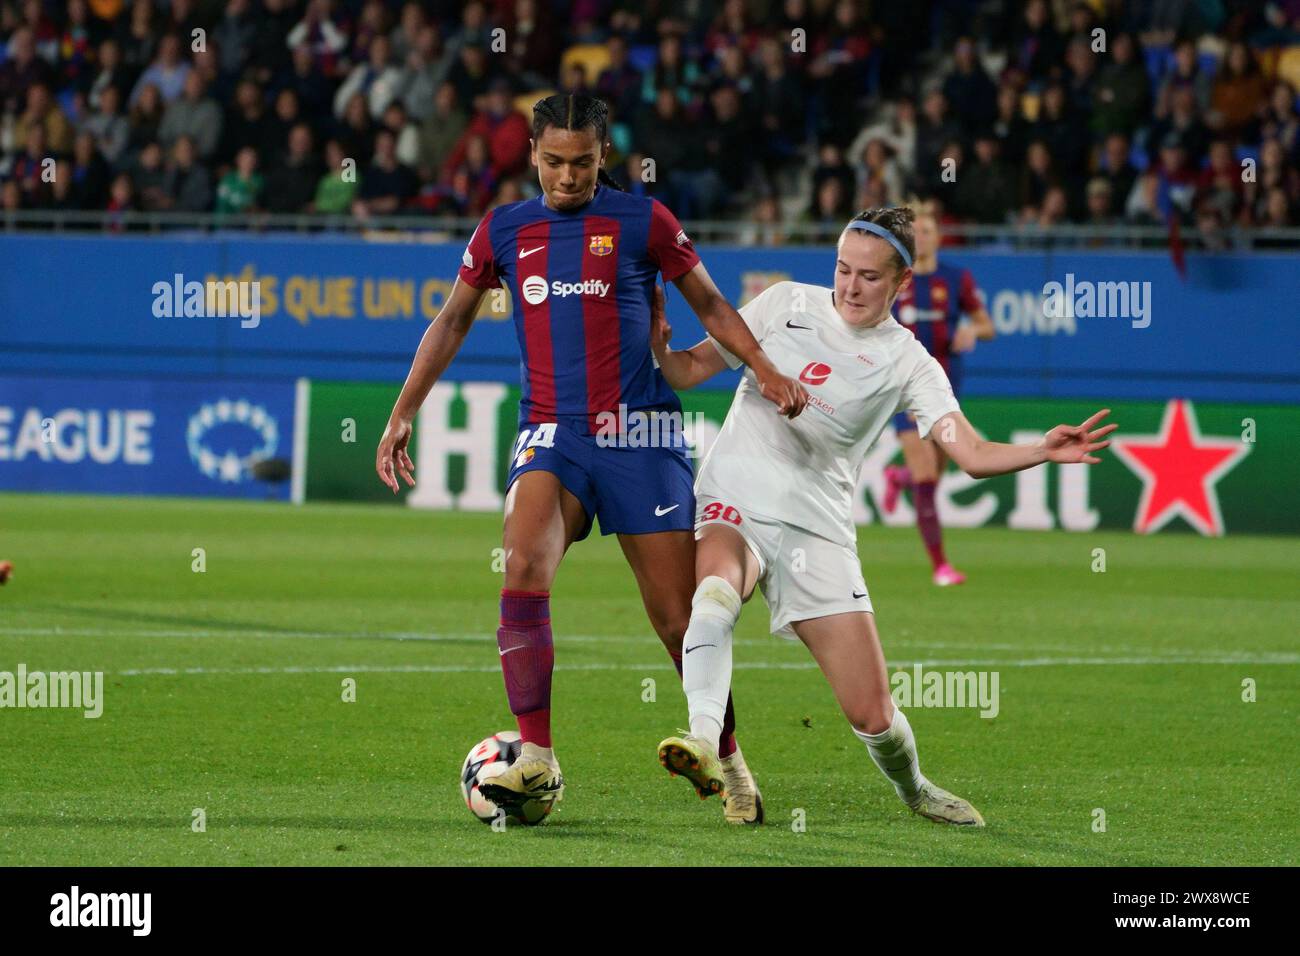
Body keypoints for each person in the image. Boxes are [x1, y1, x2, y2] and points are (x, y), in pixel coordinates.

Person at [375, 93, 807, 822]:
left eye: (581, 163)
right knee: (522, 563)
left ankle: (730, 764)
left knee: (678, 621)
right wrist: (402, 412)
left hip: (641, 435)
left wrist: (760, 366)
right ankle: (537, 757)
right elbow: (451, 320)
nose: (567, 177)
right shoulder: (504, 229)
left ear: (603, 157)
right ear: (532, 154)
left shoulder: (644, 221)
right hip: (553, 432)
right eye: (552, 162)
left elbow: (710, 304)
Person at [649, 206, 1116, 825]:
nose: (850, 286)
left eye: (869, 277)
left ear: (901, 284)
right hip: (735, 497)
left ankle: (916, 789)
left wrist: (1041, 451)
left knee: (872, 714)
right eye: (843, 269)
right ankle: (706, 744)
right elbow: (687, 370)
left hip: (818, 529)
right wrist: (657, 339)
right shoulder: (781, 303)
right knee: (712, 593)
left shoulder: (910, 362)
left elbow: (970, 454)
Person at [882, 205, 995, 585]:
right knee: (927, 474)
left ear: (938, 236)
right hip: (904, 391)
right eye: (917, 231)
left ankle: (898, 477)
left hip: (945, 389)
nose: (923, 237)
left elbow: (986, 325)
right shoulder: (896, 279)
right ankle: (940, 566)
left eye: (929, 230)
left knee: (934, 471)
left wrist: (972, 332)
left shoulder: (955, 278)